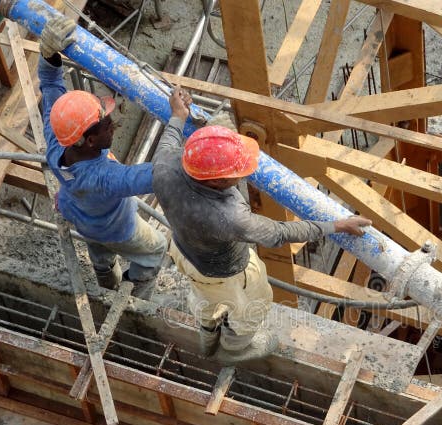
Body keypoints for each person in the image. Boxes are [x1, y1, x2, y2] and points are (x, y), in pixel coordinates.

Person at [153, 87, 373, 363]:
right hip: (227, 272)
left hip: (184, 252)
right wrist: (337, 225)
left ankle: (208, 334)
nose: (244, 174)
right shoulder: (230, 217)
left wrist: (178, 115)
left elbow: (170, 137)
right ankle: (234, 349)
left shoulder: (163, 167)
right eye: (238, 173)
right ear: (218, 181)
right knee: (253, 306)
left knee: (204, 298)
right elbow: (280, 233)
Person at [38, 16, 167, 300]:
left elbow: (50, 86)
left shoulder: (57, 139)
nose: (113, 121)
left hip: (82, 216)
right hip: (117, 227)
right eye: (106, 123)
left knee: (99, 253)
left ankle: (105, 282)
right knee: (156, 248)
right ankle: (132, 296)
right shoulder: (103, 178)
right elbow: (159, 174)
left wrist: (49, 56)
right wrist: (192, 135)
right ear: (91, 140)